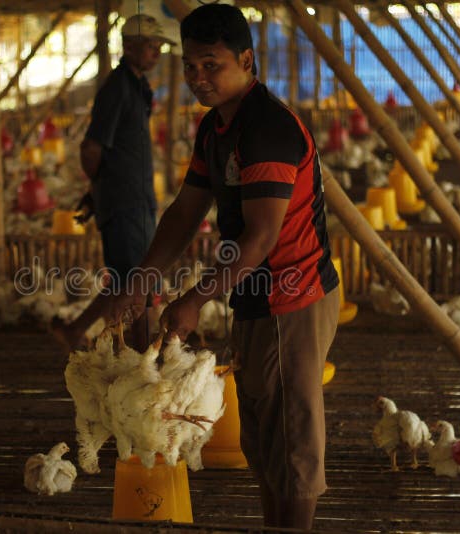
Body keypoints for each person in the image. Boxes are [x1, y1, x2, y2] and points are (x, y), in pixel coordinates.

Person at [108, 4, 339, 530]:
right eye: (190, 66)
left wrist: (193, 300)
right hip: (256, 297)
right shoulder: (216, 129)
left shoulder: (267, 130)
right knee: (262, 435)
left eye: (211, 65)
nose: (197, 77)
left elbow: (259, 239)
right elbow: (186, 211)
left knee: (293, 442)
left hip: (292, 297)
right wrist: (143, 279)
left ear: (246, 60)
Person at [53, 14, 174, 352]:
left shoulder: (136, 85)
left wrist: (99, 190)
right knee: (136, 280)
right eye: (151, 47)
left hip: (133, 198)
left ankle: (76, 330)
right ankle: (139, 354)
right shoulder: (118, 87)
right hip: (125, 201)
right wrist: (103, 188)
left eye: (159, 48)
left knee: (129, 277)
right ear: (130, 46)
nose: (156, 53)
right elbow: (91, 148)